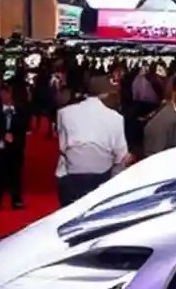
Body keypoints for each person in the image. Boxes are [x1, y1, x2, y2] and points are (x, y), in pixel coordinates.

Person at [56, 75, 132, 207]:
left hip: (69, 181)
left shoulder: (64, 113)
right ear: (106, 95)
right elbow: (121, 156)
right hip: (102, 181)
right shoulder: (116, 118)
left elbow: (62, 147)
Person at [0, 83, 30, 210]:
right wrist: (1, 137)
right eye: (2, 93)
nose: (5, 95)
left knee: (15, 173)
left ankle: (16, 200)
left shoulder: (20, 110)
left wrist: (14, 138)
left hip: (15, 147)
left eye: (7, 92)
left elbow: (24, 128)